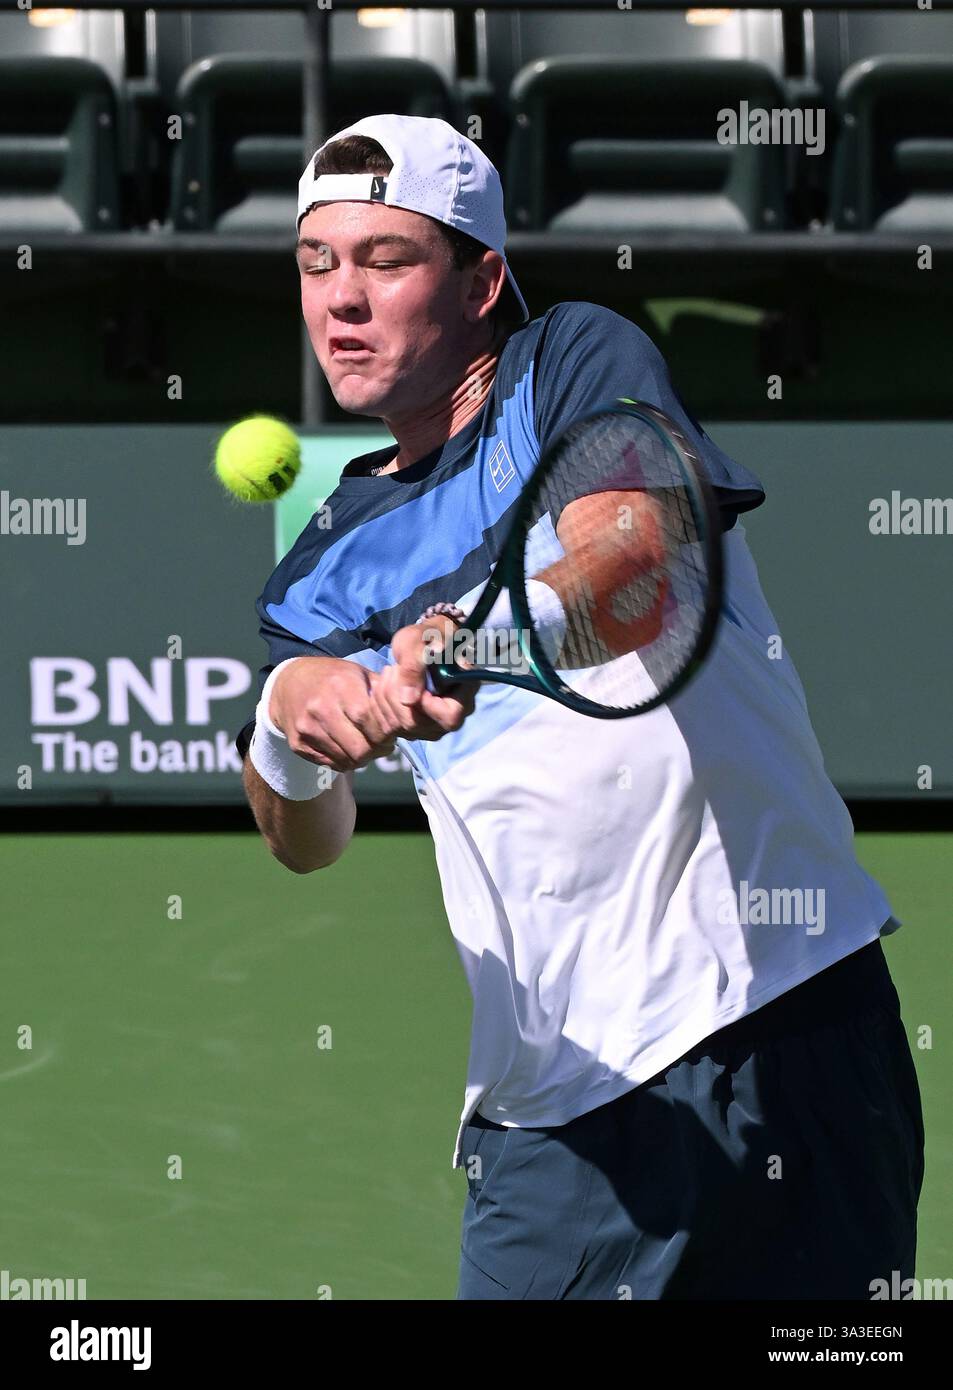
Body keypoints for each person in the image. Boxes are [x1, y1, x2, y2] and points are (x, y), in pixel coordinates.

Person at [236, 114, 924, 1300]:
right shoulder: (319, 566)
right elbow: (306, 840)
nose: (340, 299)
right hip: (559, 1113)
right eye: (316, 264)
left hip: (792, 1015)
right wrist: (293, 727)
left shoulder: (569, 363)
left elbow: (641, 562)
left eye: (386, 260)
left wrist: (478, 639)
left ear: (480, 278)